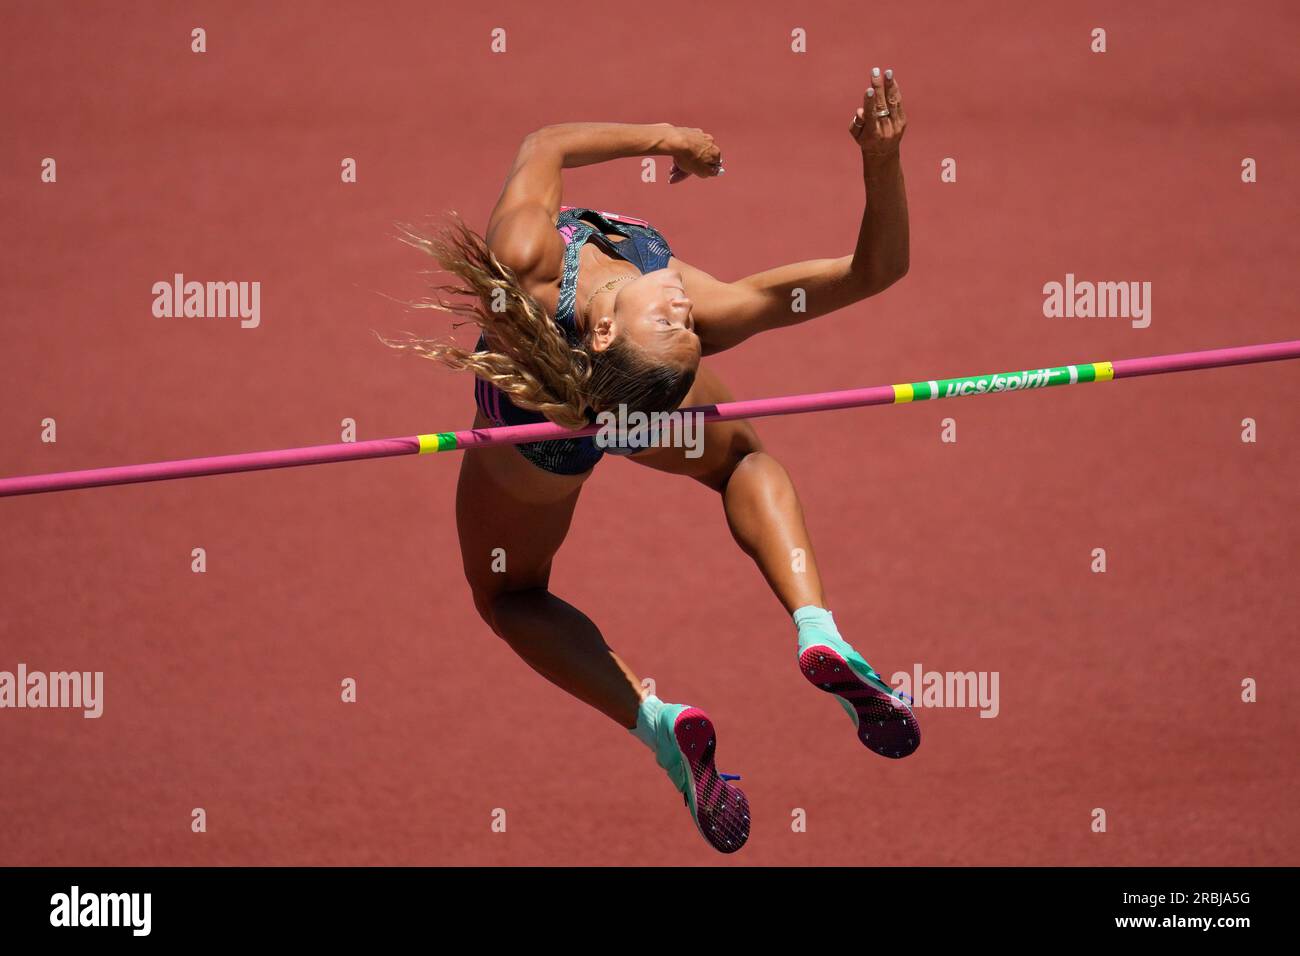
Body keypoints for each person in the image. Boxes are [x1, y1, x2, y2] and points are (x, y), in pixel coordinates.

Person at [390, 67, 916, 853]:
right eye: (681, 323)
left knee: (508, 596)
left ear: (606, 337)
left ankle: (664, 724)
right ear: (605, 337)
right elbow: (875, 272)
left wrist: (667, 139)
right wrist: (880, 162)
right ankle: (818, 630)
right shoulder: (688, 309)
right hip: (621, 418)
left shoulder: (529, 260)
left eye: (677, 325)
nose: (682, 308)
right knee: (741, 463)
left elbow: (546, 144)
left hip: (540, 445)